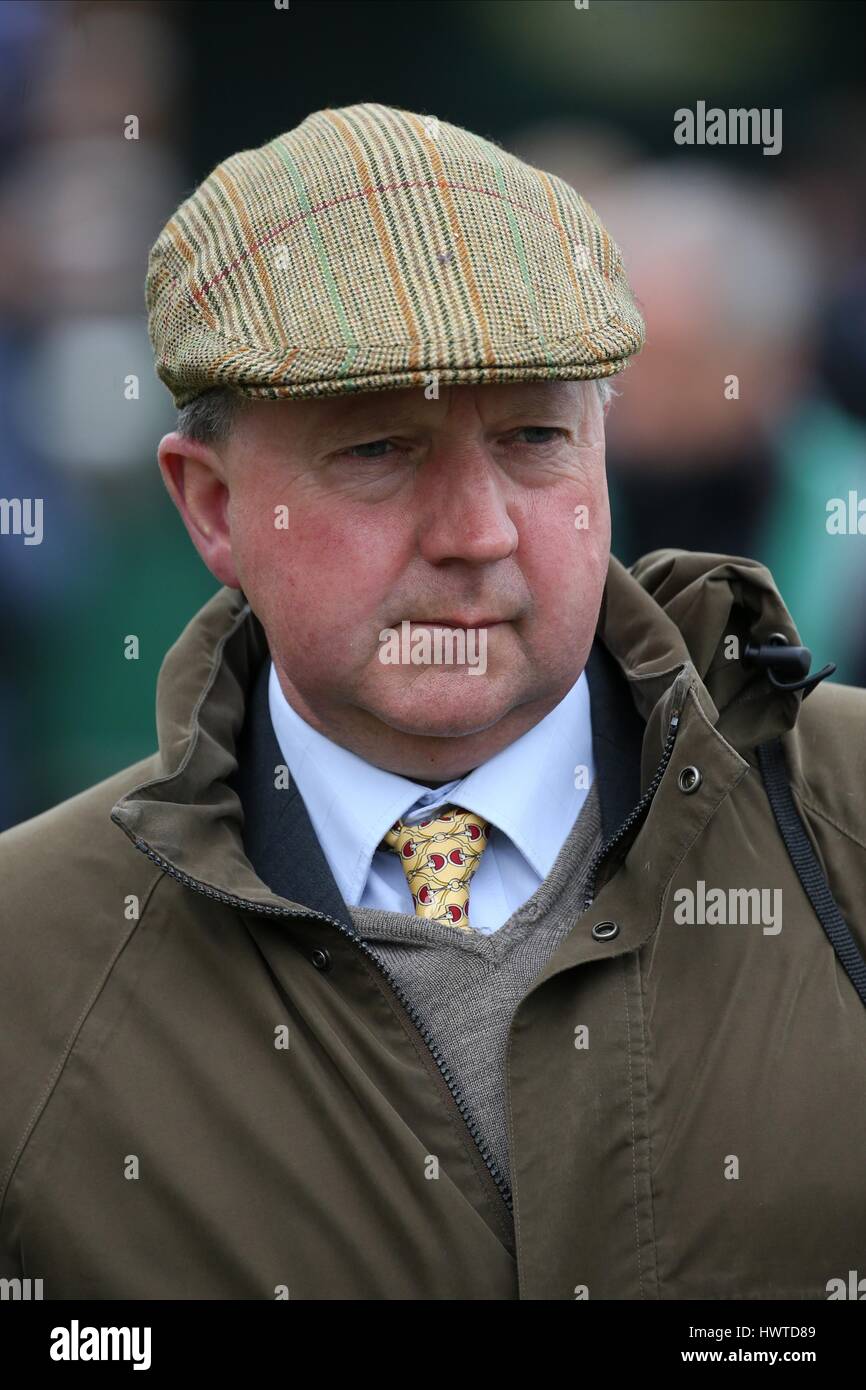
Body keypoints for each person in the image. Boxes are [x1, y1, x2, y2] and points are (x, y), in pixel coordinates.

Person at [1, 102, 865, 1301]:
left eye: (530, 439)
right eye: (377, 452)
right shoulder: (30, 967)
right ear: (210, 508)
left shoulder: (843, 821)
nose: (477, 533)